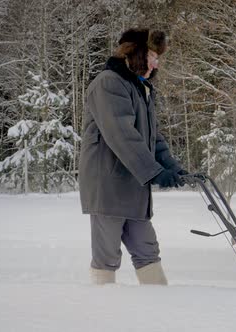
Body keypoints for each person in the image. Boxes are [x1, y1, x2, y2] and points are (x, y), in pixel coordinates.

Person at [78, 28, 186, 285]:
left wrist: (171, 166)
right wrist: (155, 172)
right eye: (152, 55)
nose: (157, 62)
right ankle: (103, 306)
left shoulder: (140, 88)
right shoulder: (108, 83)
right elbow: (122, 134)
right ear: (136, 54)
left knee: (147, 249)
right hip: (109, 185)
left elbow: (151, 137)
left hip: (134, 184)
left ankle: (157, 305)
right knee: (107, 254)